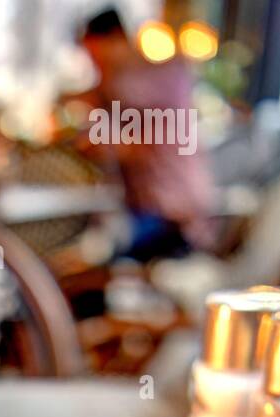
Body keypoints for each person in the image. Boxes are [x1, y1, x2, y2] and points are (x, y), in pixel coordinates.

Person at [78, 7, 216, 259]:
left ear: (116, 40)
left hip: (173, 215)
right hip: (159, 208)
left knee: (98, 256)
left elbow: (120, 143)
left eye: (95, 54)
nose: (95, 64)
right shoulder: (126, 81)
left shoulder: (146, 76)